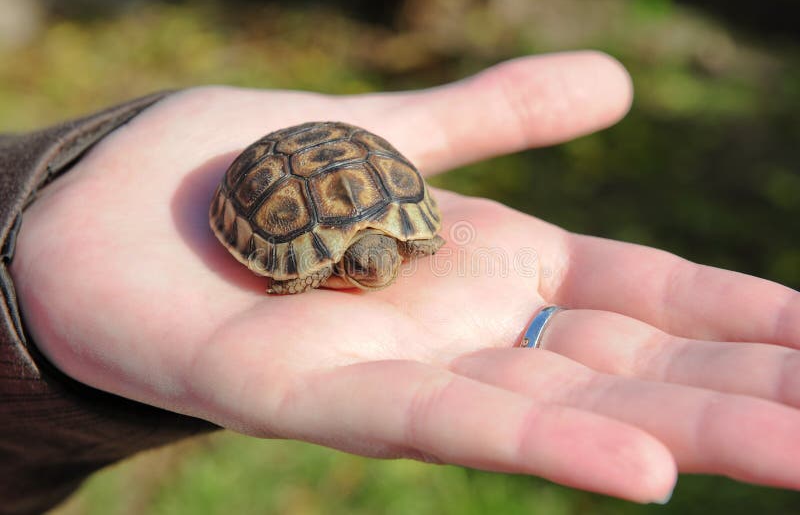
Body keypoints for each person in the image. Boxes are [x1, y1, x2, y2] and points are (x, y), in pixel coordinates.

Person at [1, 51, 798, 513]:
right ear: (335, 266)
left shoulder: (404, 239)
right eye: (355, 265)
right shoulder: (314, 257)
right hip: (281, 171)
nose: (371, 272)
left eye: (375, 260)